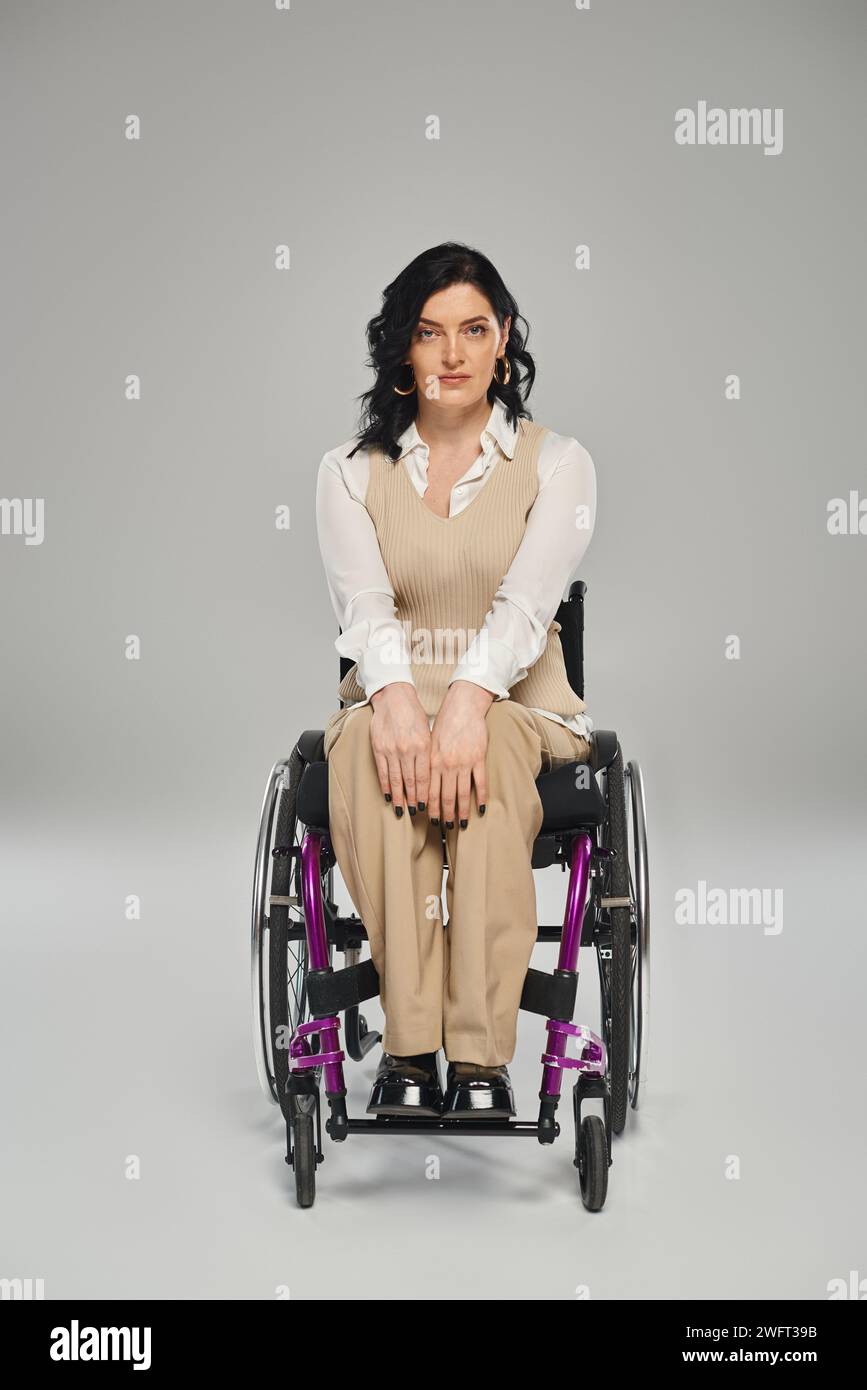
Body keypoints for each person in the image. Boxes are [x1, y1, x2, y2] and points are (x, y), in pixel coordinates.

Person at [314, 242, 597, 1119]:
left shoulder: (559, 465)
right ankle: (406, 1051)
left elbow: (523, 607)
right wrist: (398, 703)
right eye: (430, 333)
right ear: (403, 347)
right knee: (368, 749)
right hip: (396, 696)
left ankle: (477, 1058)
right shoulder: (349, 473)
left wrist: (468, 703)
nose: (453, 354)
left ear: (502, 339)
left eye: (474, 330)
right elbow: (364, 606)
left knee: (492, 752)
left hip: (517, 703)